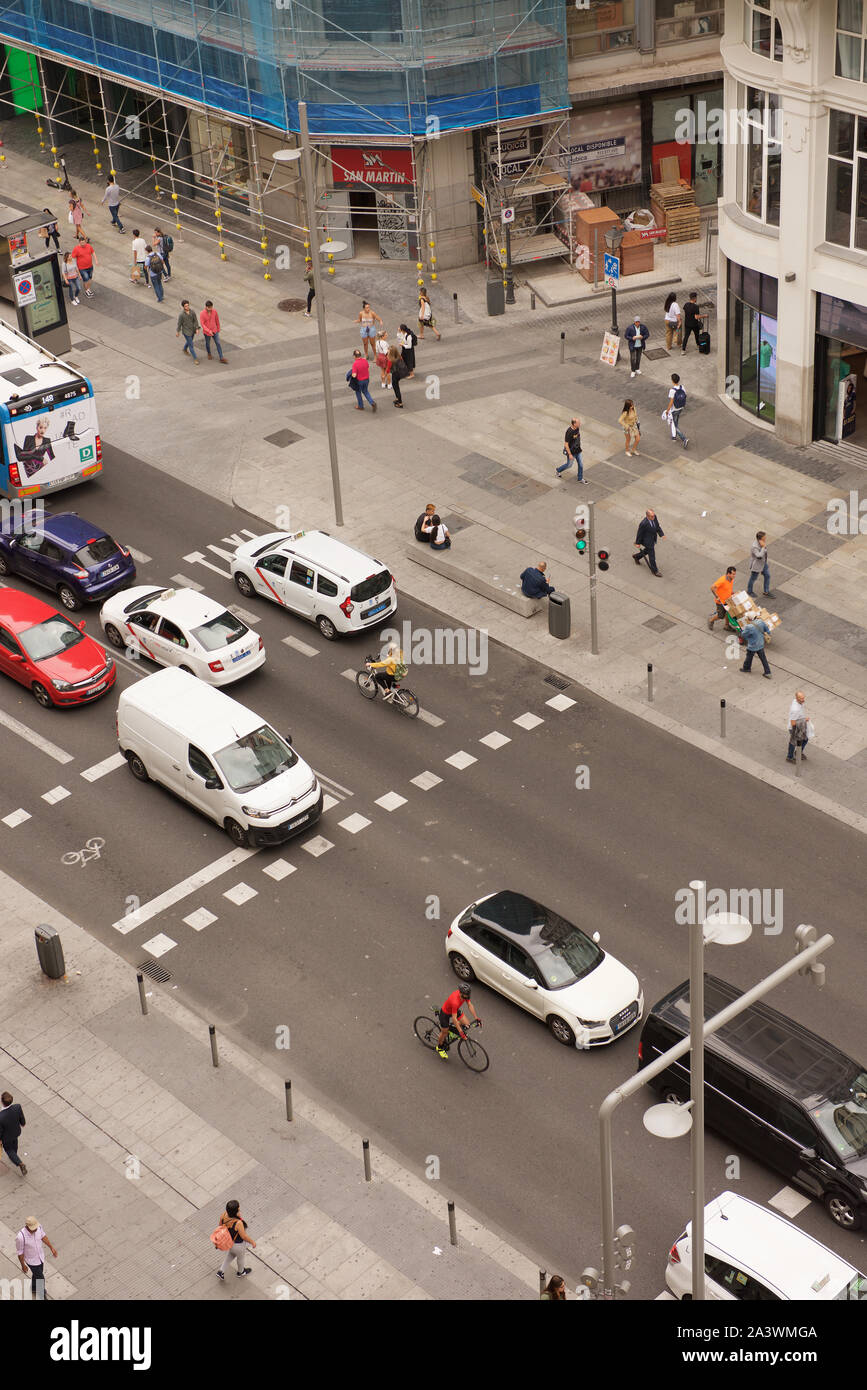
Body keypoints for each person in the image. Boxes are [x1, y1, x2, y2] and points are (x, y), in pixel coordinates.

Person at [436, 982, 480, 1058]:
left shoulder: (465, 995)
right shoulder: (455, 1002)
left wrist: (476, 1018)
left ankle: (453, 1030)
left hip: (455, 1010)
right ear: (461, 993)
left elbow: (470, 1005)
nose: (467, 997)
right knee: (444, 1033)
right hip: (445, 1014)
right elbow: (454, 1018)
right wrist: (460, 1032)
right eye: (466, 996)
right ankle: (439, 1048)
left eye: (468, 995)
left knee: (467, 1024)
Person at [16, 1218, 57, 1300]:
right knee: (41, 1278)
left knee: (38, 1274)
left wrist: (51, 1247)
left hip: (40, 1257)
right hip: (31, 1261)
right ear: (27, 1227)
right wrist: (23, 1265)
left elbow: (43, 1236)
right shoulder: (21, 1237)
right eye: (33, 1229)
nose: (35, 1230)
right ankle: (41, 1295)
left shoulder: (39, 1227)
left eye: (35, 1228)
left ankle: (34, 1287)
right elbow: (20, 1253)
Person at [216, 1199, 256, 1280]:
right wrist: (252, 1242)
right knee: (240, 1258)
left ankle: (221, 1271)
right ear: (236, 1211)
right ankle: (241, 1272)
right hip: (238, 1245)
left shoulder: (223, 1215)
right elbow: (243, 1236)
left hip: (229, 1242)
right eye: (238, 1208)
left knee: (230, 1255)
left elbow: (220, 1227)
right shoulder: (238, 1223)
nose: (239, 1209)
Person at [0, 1091, 27, 1174]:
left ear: (2, 1102)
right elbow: (21, 1117)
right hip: (16, 1132)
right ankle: (14, 1155)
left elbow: (0, 1131)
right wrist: (23, 1123)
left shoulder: (1, 1116)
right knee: (15, 1143)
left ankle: (20, 1163)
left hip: (6, 1137)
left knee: (8, 1149)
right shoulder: (17, 1107)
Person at [633, 509, 664, 577]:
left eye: (653, 515)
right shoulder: (643, 523)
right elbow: (639, 534)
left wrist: (661, 534)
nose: (653, 517)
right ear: (647, 516)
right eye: (652, 516)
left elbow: (657, 526)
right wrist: (637, 543)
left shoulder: (654, 517)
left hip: (652, 539)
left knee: (647, 551)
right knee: (652, 556)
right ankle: (655, 571)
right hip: (647, 541)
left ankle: (636, 556)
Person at [556, 417, 586, 481]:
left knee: (580, 465)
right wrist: (569, 454)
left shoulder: (577, 428)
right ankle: (558, 470)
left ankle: (580, 478)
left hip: (578, 450)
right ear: (574, 424)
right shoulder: (569, 432)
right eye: (578, 423)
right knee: (569, 465)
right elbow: (566, 444)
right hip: (571, 452)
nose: (580, 423)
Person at [747, 530, 773, 598]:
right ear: (760, 538)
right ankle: (749, 591)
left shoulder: (762, 542)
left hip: (763, 564)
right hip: (757, 565)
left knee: (767, 576)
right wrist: (763, 547)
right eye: (764, 537)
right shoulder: (754, 547)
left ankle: (766, 591)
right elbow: (759, 556)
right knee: (753, 578)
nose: (765, 538)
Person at [787, 690, 811, 763]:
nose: (803, 700)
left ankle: (798, 752)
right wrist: (804, 720)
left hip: (800, 725)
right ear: (797, 698)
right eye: (801, 698)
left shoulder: (797, 701)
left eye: (803, 698)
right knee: (793, 742)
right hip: (795, 728)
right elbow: (793, 723)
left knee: (805, 739)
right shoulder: (795, 710)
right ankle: (790, 757)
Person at [665, 374, 689, 448]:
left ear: (672, 381)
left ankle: (684, 439)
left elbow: (671, 402)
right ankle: (674, 436)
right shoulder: (682, 387)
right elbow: (685, 395)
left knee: (674, 425)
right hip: (681, 408)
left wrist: (667, 410)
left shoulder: (672, 390)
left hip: (674, 409)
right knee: (675, 421)